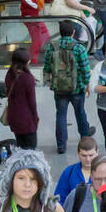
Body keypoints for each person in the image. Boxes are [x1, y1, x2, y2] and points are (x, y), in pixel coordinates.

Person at [41, 19, 95, 155]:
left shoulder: (52, 46)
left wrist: (49, 82)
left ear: (60, 32)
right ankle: (85, 137)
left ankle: (61, 145)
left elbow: (47, 66)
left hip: (59, 88)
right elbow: (85, 69)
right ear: (73, 32)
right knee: (80, 112)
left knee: (61, 115)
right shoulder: (79, 47)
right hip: (77, 88)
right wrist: (87, 85)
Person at [3, 48, 39, 150]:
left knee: (20, 147)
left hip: (13, 117)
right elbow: (32, 102)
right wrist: (35, 118)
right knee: (30, 149)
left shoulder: (9, 74)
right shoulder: (28, 78)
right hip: (27, 120)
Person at [53, 135, 98, 205]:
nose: (88, 159)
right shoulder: (68, 172)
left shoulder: (104, 173)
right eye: (84, 155)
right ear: (78, 154)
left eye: (91, 155)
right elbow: (59, 199)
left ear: (97, 153)